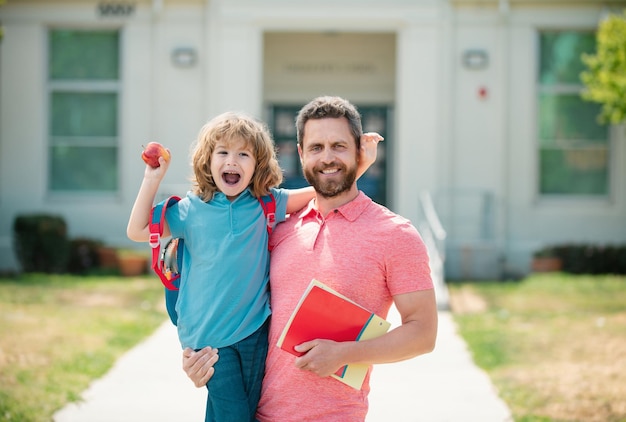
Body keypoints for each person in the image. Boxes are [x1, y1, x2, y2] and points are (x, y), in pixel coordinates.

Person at [183, 96, 438, 421]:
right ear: (301, 154)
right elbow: (225, 297)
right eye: (316, 147)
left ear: (359, 152)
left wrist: (345, 354)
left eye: (339, 146)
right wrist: (202, 359)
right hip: (255, 413)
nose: (327, 157)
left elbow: (423, 333)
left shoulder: (395, 235)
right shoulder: (277, 229)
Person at [127, 111, 382, 422]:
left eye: (243, 154)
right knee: (233, 414)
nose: (232, 161)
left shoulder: (266, 204)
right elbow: (138, 230)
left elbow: (321, 191)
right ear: (208, 160)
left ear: (257, 165)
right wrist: (152, 179)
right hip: (210, 340)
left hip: (253, 332)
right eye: (222, 152)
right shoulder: (191, 210)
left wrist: (361, 165)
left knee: (240, 413)